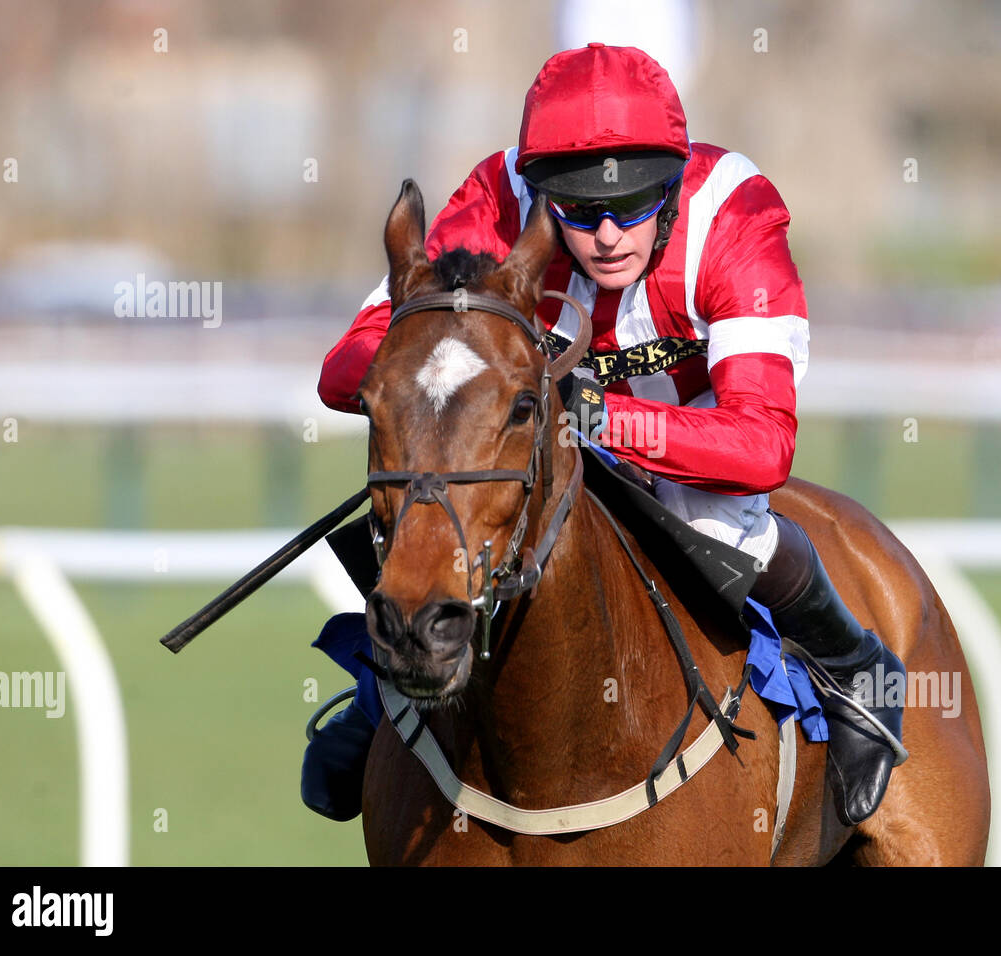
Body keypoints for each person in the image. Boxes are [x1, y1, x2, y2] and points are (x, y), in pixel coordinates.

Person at [304, 43, 905, 828]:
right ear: (540, 190)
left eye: (637, 203)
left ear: (675, 180)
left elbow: (761, 446)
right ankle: (391, 678)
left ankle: (855, 665)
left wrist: (596, 416)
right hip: (539, 440)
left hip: (694, 443)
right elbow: (347, 368)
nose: (611, 233)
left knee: (717, 524)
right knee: (439, 500)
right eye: (580, 212)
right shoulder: (495, 199)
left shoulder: (736, 216)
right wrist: (444, 378)